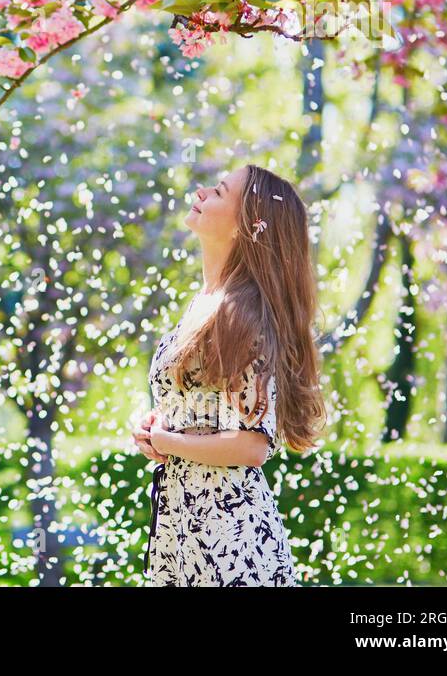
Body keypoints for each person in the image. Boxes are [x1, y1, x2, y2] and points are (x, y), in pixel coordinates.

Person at [133, 163, 327, 586]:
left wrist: (169, 442)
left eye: (219, 192)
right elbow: (210, 413)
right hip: (186, 530)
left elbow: (250, 444)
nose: (201, 192)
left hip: (229, 541)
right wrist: (159, 425)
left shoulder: (243, 314)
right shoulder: (207, 302)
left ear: (245, 228)